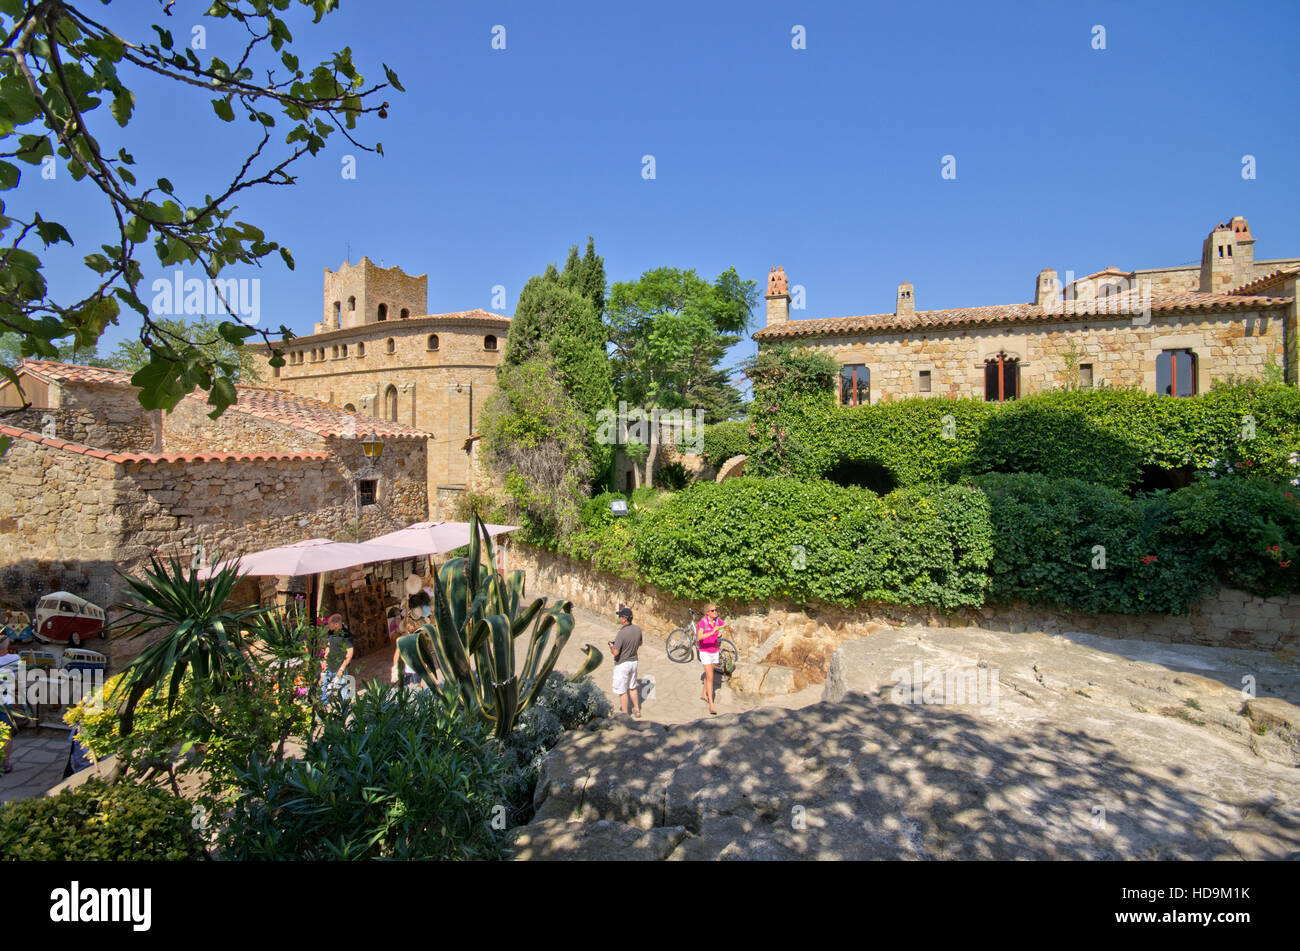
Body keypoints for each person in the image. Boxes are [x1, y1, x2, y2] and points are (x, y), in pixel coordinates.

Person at [608, 606, 642, 718]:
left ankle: (625, 714)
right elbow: (640, 643)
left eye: (620, 616)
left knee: (622, 691)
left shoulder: (621, 633)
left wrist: (611, 646)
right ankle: (636, 708)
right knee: (632, 687)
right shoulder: (637, 629)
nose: (619, 618)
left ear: (624, 619)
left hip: (623, 664)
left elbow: (616, 653)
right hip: (634, 662)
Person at [696, 604, 725, 715]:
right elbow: (699, 637)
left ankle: (704, 693)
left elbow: (723, 626)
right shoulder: (703, 622)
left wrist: (721, 628)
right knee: (711, 677)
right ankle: (711, 704)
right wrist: (712, 632)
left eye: (716, 610)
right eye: (712, 610)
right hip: (705, 652)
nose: (715, 612)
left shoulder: (717, 621)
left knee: (709, 674)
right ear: (707, 613)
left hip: (714, 650)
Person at [322, 614, 354, 702]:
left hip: (340, 665)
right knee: (324, 687)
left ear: (336, 624)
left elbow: (349, 653)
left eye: (330, 624)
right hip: (329, 665)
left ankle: (345, 709)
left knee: (343, 689)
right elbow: (329, 646)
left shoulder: (346, 635)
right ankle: (322, 707)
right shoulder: (331, 632)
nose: (328, 625)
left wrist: (342, 668)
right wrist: (325, 660)